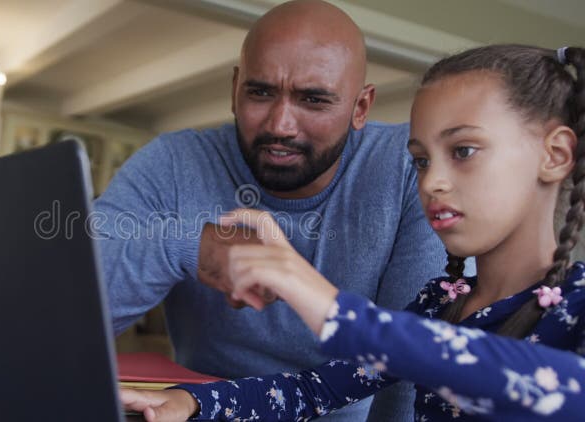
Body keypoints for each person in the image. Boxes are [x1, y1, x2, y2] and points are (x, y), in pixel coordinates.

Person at [119, 44, 585, 421]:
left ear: (556, 155)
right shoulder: (442, 301)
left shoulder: (577, 304)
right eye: (421, 160)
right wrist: (193, 402)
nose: (432, 182)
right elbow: (314, 388)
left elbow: (561, 386)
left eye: (463, 150)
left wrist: (328, 304)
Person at [94, 1, 447, 420]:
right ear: (234, 89)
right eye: (261, 92)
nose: (281, 124)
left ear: (361, 108)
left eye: (313, 100)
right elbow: (64, 312)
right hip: (192, 410)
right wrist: (189, 246)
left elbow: (409, 369)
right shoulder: (171, 164)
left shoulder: (412, 167)